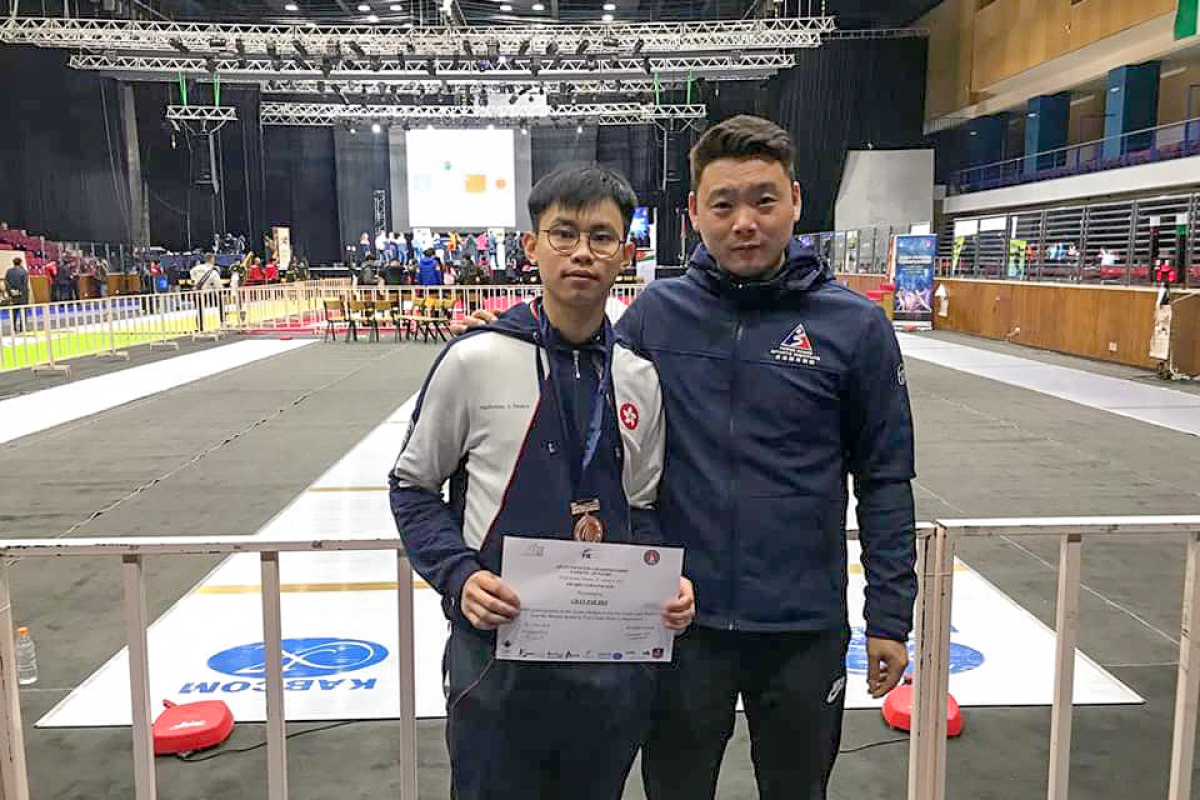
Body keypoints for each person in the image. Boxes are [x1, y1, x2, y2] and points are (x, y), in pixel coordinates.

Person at [455, 115, 917, 800]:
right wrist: (503, 340)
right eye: (723, 204)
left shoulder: (856, 328)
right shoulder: (654, 317)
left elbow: (884, 479)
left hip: (802, 627)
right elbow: (576, 366)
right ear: (695, 211)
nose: (745, 222)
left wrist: (889, 616)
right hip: (677, 623)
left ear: (794, 198)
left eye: (763, 200)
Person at [389, 164, 695, 800]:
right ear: (531, 247)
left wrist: (668, 583)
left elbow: (643, 509)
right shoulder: (474, 360)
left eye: (602, 237)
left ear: (626, 253)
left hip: (608, 663)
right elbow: (412, 488)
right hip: (498, 659)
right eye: (563, 233)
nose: (582, 251)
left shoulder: (638, 377)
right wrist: (459, 576)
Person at [189, 254, 224, 330]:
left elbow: (191, 272)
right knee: (221, 304)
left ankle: (199, 327)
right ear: (212, 259)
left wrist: (194, 280)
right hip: (207, 292)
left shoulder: (197, 267)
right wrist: (221, 290)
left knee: (199, 310)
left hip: (197, 291)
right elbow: (218, 284)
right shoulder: (213, 271)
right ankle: (222, 322)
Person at [5, 256, 29, 332]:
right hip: (22, 296)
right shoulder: (24, 272)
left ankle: (13, 328)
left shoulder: (9, 271)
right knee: (23, 311)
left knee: (14, 312)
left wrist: (11, 292)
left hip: (13, 295)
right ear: (20, 263)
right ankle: (22, 328)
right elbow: (25, 284)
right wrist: (21, 291)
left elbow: (6, 282)